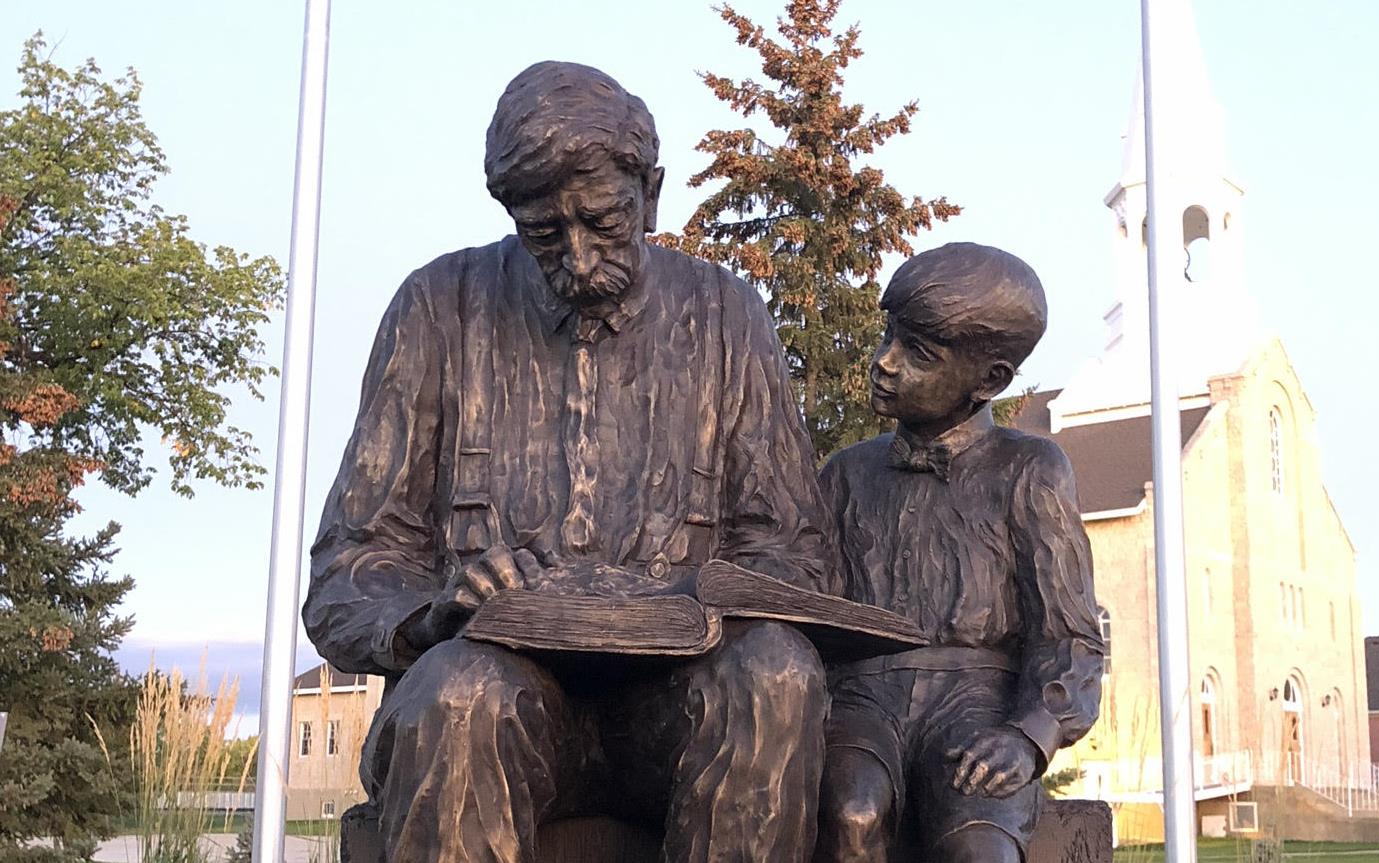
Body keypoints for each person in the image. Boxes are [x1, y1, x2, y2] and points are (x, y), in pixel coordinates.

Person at [303, 61, 832, 863]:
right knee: (461, 691)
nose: (578, 260)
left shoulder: (728, 314)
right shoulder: (436, 308)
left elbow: (790, 545)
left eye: (603, 223)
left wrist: (708, 602)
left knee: (776, 677)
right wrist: (434, 610)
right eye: (544, 234)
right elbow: (350, 565)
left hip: (672, 706)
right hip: (501, 699)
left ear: (650, 193)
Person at [815, 243, 1106, 863]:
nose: (884, 362)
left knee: (980, 851)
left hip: (977, 705)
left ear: (990, 380)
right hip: (862, 701)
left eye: (917, 353)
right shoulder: (844, 474)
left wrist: (1033, 734)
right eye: (888, 336)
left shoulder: (1032, 469)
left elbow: (1070, 631)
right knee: (851, 813)